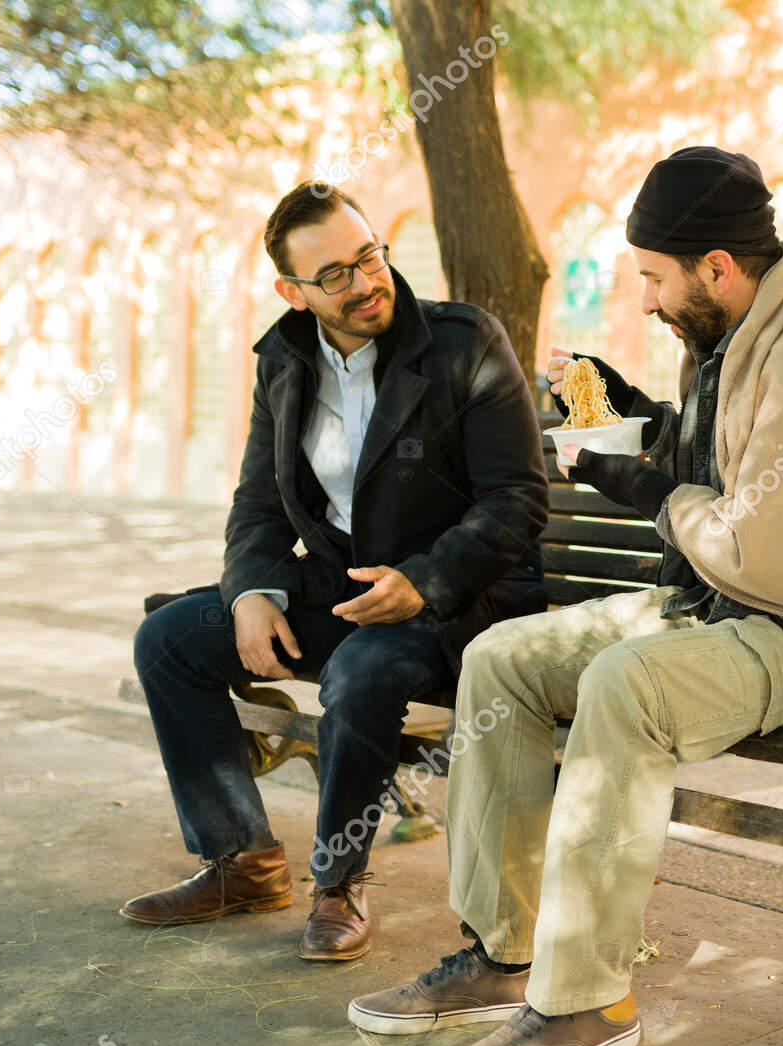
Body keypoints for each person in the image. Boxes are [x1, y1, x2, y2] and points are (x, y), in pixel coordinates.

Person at [348, 146, 783, 1046]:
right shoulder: (742, 326)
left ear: (716, 266)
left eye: (653, 277)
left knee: (626, 685)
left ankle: (586, 1001)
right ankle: (507, 956)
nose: (644, 300)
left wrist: (642, 488)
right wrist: (628, 405)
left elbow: (768, 561)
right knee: (500, 660)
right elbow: (725, 459)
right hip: (730, 606)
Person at [122, 184, 550, 961]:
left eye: (369, 256)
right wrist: (253, 592)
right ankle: (242, 861)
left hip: (459, 602)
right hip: (345, 589)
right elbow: (258, 503)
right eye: (334, 275)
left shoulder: (462, 343)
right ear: (292, 291)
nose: (365, 283)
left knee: (360, 672)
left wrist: (422, 581)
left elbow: (516, 499)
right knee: (170, 638)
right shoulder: (283, 364)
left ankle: (339, 882)